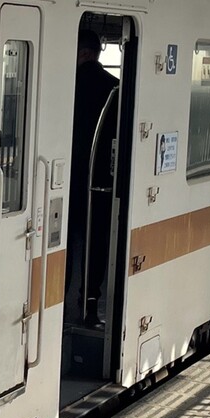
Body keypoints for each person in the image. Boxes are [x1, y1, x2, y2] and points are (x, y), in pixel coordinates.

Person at [67, 29, 119, 324]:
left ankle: (57, 304)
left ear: (84, 53)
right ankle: (88, 306)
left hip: (64, 183)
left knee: (63, 245)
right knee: (94, 245)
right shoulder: (115, 88)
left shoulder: (66, 84)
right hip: (100, 185)